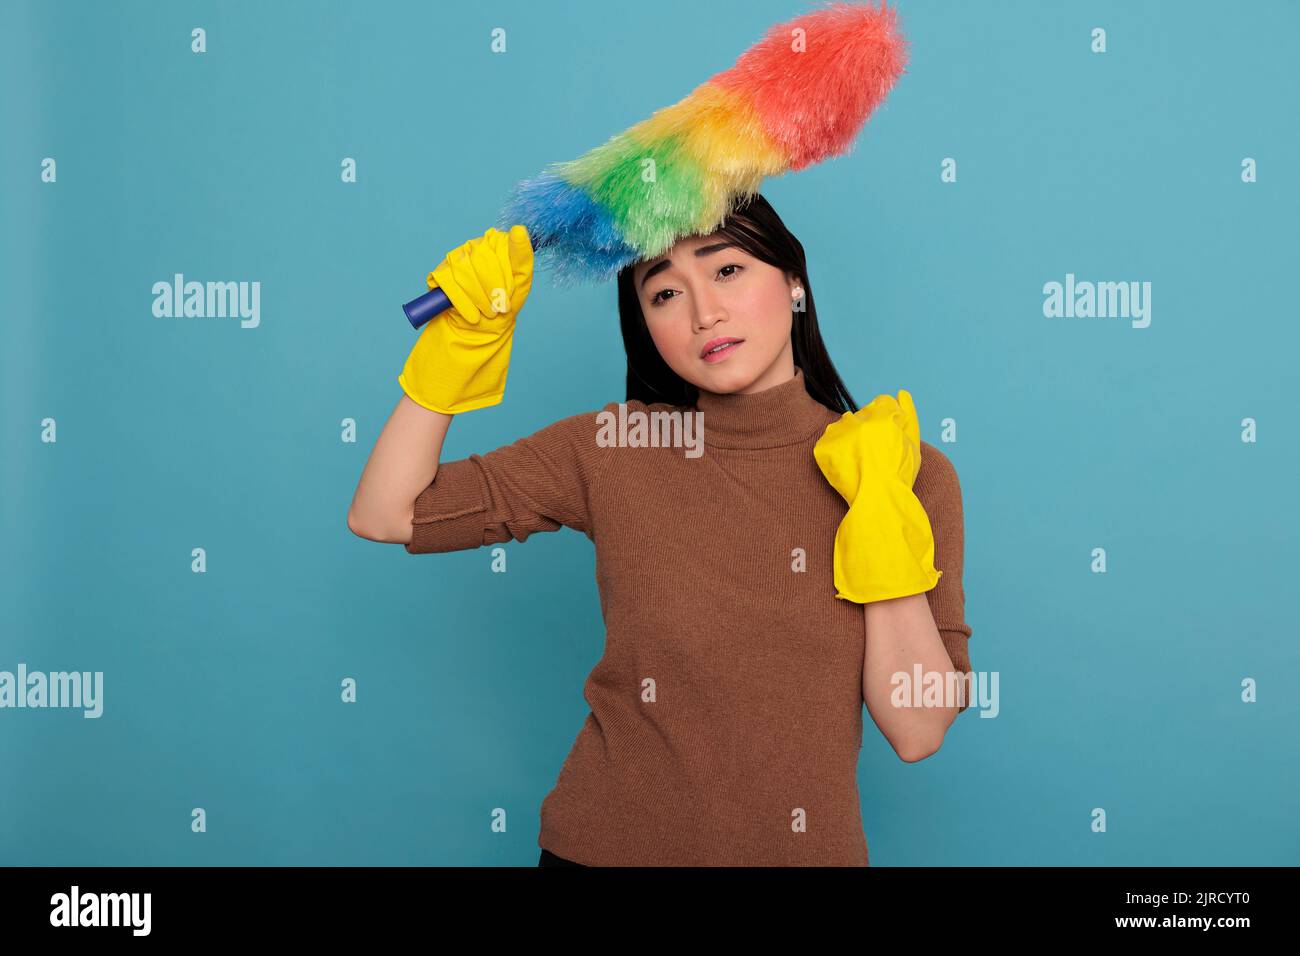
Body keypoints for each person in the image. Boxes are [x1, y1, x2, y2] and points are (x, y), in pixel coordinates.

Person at [347, 193, 973, 867]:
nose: (704, 313)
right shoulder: (616, 446)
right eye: (665, 293)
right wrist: (453, 357)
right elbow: (385, 514)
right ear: (645, 323)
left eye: (727, 271)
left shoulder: (904, 470)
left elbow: (917, 728)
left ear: (794, 281)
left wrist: (879, 510)